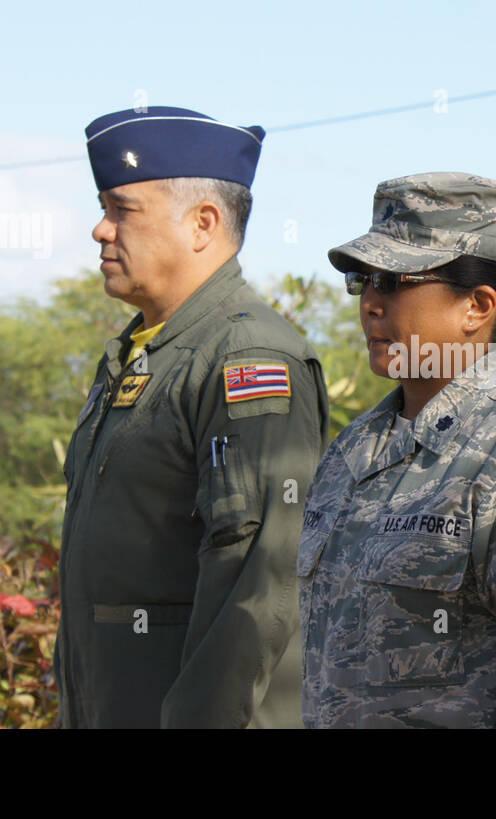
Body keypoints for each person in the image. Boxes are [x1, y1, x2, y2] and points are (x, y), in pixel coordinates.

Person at [55, 106, 329, 728]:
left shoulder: (247, 357)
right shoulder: (145, 352)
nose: (101, 230)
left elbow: (258, 583)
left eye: (121, 209)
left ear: (203, 223)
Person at [299, 172, 496, 728]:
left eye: (394, 280)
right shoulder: (351, 452)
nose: (371, 304)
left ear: (477, 305)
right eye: (364, 281)